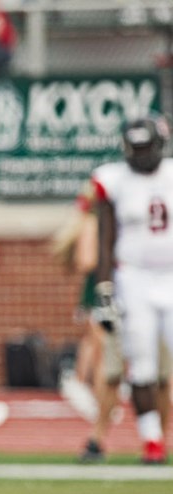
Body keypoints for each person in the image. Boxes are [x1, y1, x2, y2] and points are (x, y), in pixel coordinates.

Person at [93, 114, 173, 465]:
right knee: (141, 362)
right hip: (135, 278)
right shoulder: (114, 180)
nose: (141, 155)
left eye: (146, 147)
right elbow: (105, 235)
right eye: (135, 148)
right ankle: (151, 440)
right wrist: (103, 286)